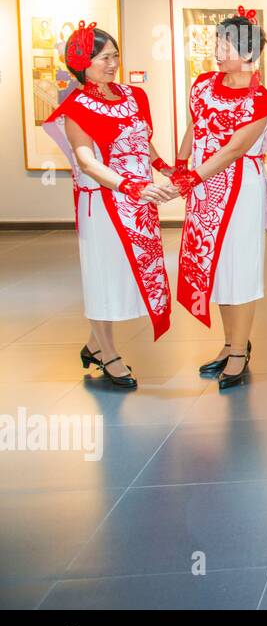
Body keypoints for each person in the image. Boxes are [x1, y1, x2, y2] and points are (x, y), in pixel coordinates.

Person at [42, 21, 173, 389]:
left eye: (115, 55)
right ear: (82, 62)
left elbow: (141, 140)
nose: (112, 63)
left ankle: (92, 343)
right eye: (103, 57)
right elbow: (87, 161)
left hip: (138, 201)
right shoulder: (76, 107)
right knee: (103, 277)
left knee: (129, 274)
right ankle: (108, 353)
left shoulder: (134, 96)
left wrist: (163, 167)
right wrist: (129, 185)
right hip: (103, 203)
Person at [167, 7, 267, 388]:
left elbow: (233, 150)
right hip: (204, 187)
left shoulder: (260, 100)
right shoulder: (203, 85)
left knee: (241, 267)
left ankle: (239, 351)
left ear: (250, 54)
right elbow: (195, 127)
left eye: (226, 45)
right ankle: (228, 341)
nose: (217, 51)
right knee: (216, 265)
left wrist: (188, 179)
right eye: (217, 43)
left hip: (239, 188)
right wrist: (180, 164)